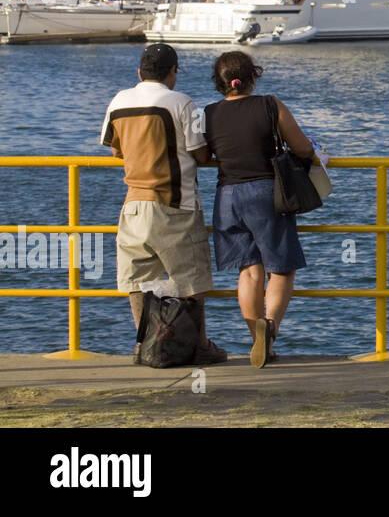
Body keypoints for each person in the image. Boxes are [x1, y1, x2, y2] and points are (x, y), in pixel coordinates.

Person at [101, 43, 226, 363]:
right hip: (176, 204)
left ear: (139, 73)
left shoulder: (119, 101)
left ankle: (145, 343)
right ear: (172, 72)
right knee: (191, 279)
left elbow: (116, 150)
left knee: (137, 278)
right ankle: (198, 345)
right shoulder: (182, 102)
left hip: (132, 205)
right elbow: (200, 154)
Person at [203, 51, 315, 368]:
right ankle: (271, 328)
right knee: (281, 268)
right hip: (265, 193)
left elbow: (202, 154)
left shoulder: (209, 113)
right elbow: (302, 147)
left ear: (220, 82)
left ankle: (257, 339)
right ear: (253, 76)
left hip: (226, 197)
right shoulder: (269, 105)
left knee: (249, 270)